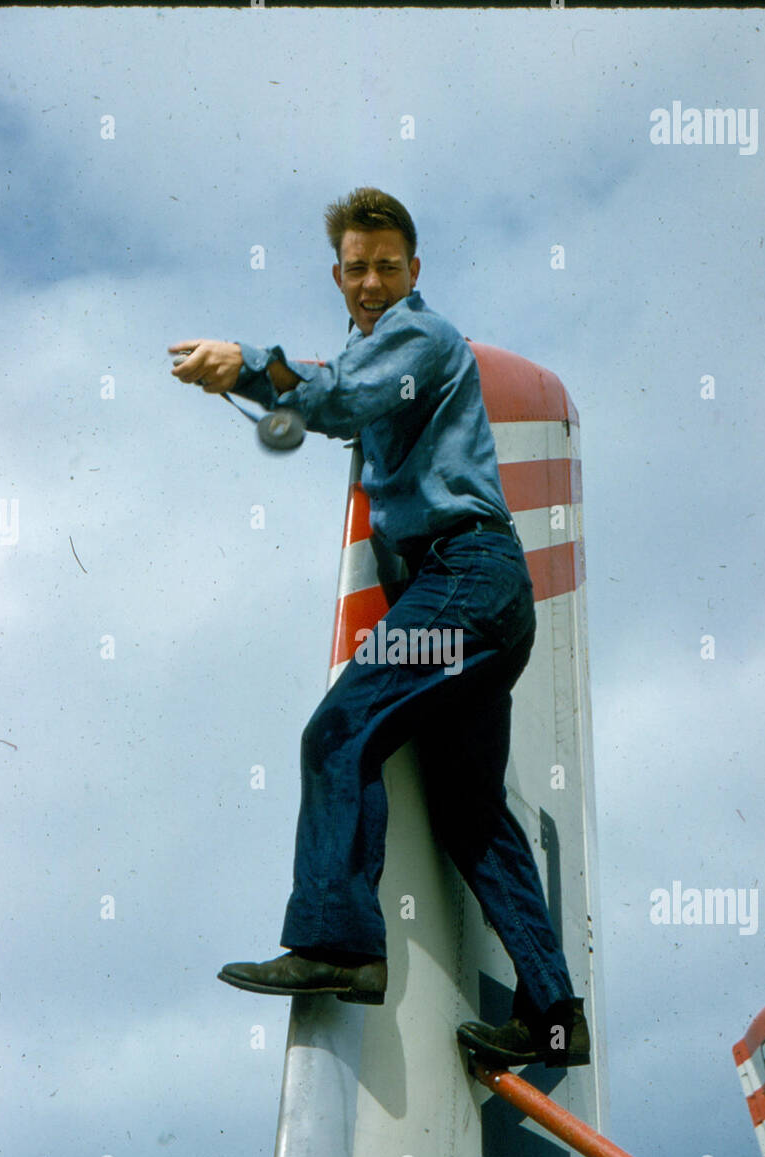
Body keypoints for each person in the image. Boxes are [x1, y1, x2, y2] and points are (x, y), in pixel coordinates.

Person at [169, 187, 589, 1067]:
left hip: (462, 579)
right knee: (471, 815)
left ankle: (338, 947)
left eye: (386, 267)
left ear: (413, 271)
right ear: (337, 273)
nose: (370, 282)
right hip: (485, 602)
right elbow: (339, 398)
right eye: (356, 268)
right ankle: (553, 1020)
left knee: (337, 730)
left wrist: (247, 363)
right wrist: (278, 389)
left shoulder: (421, 338)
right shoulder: (383, 351)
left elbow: (335, 396)